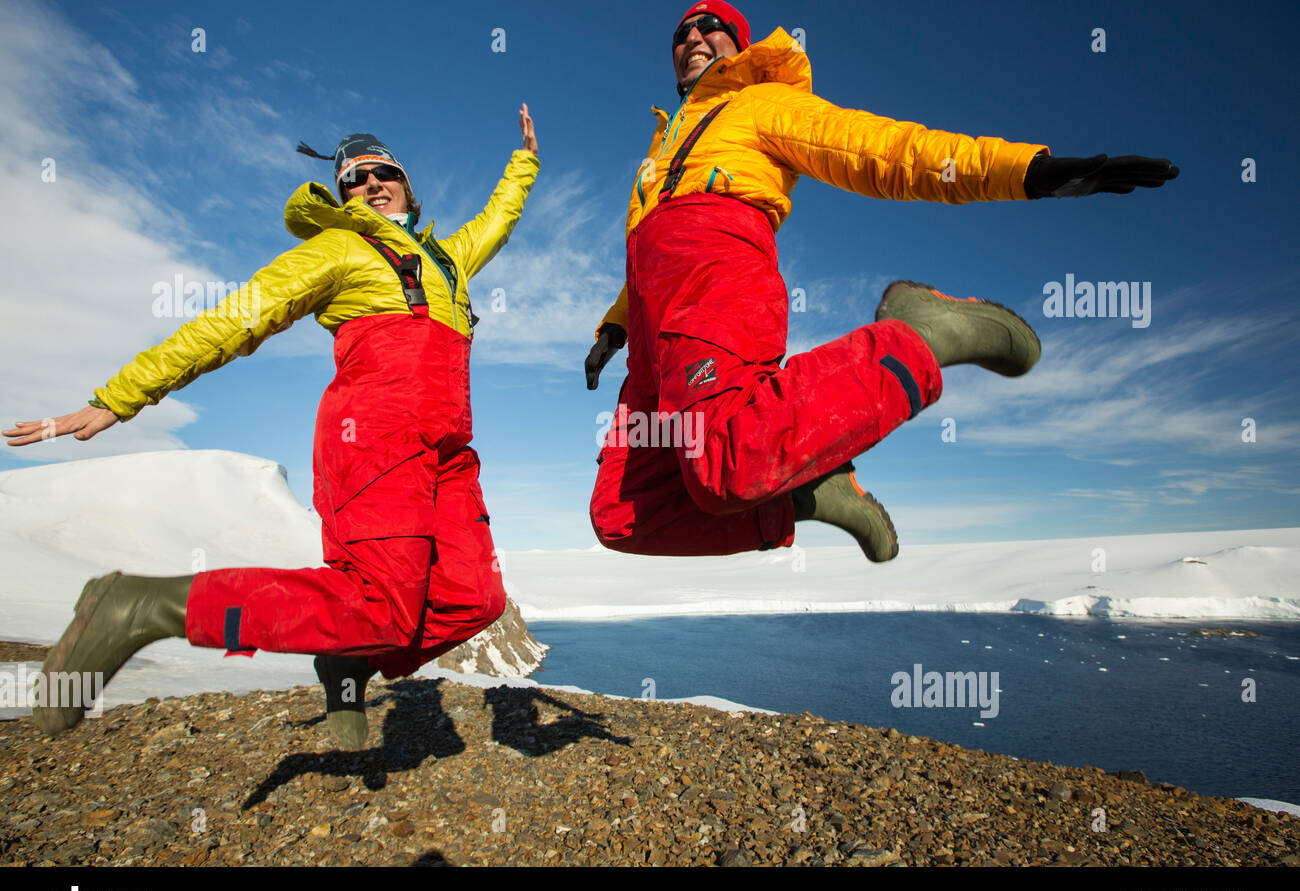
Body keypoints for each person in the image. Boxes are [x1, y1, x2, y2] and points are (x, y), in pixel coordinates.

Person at [5, 106, 541, 748]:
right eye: (354, 180)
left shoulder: (447, 259)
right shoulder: (339, 248)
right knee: (382, 604)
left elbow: (499, 219)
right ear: (344, 197)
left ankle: (348, 660)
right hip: (374, 441)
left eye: (382, 172)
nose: (370, 184)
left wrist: (525, 162)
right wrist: (123, 395)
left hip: (449, 452)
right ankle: (141, 606)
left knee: (474, 599)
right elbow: (233, 319)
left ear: (405, 183)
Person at [584, 2, 1176, 561]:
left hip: (715, 283)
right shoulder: (658, 154)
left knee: (727, 462)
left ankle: (918, 337)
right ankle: (804, 492)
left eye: (709, 27)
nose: (691, 39)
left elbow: (881, 149)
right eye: (680, 35)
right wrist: (615, 327)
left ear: (739, 46)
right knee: (623, 510)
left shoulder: (759, 104)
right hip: (651, 331)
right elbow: (648, 248)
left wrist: (1024, 170)